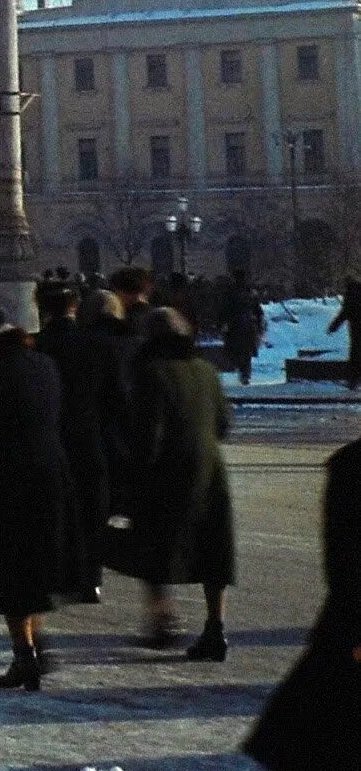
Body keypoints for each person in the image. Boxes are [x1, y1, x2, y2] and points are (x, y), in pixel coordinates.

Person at [0, 309, 75, 690]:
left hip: (5, 475)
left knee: (8, 568)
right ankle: (34, 646)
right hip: (50, 469)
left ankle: (23, 654)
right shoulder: (45, 364)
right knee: (37, 562)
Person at [243, 433, 361, 771]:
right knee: (331, 759)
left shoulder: (350, 467)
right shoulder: (352, 469)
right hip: (352, 629)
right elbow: (346, 563)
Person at [128, 305, 235, 658]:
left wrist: (135, 474)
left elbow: (149, 434)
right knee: (214, 551)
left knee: (155, 547)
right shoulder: (206, 370)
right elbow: (223, 425)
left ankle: (163, 622)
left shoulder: (150, 373)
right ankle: (215, 629)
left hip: (168, 473)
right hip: (211, 471)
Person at [36, 283, 133, 600]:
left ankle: (60, 572)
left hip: (53, 437)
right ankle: (91, 578)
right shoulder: (95, 345)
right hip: (93, 437)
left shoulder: (39, 346)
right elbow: (117, 396)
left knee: (59, 508)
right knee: (93, 510)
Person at [222, 280, 266, 385]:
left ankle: (242, 372)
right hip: (248, 328)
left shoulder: (231, 295)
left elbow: (225, 310)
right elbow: (258, 312)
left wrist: (223, 323)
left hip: (235, 327)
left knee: (239, 351)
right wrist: (259, 326)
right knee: (246, 352)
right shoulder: (250, 295)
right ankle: (245, 373)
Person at [331, 275, 361, 390]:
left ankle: (353, 380)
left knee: (355, 353)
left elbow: (344, 313)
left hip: (355, 328)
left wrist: (334, 326)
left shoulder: (350, 295)